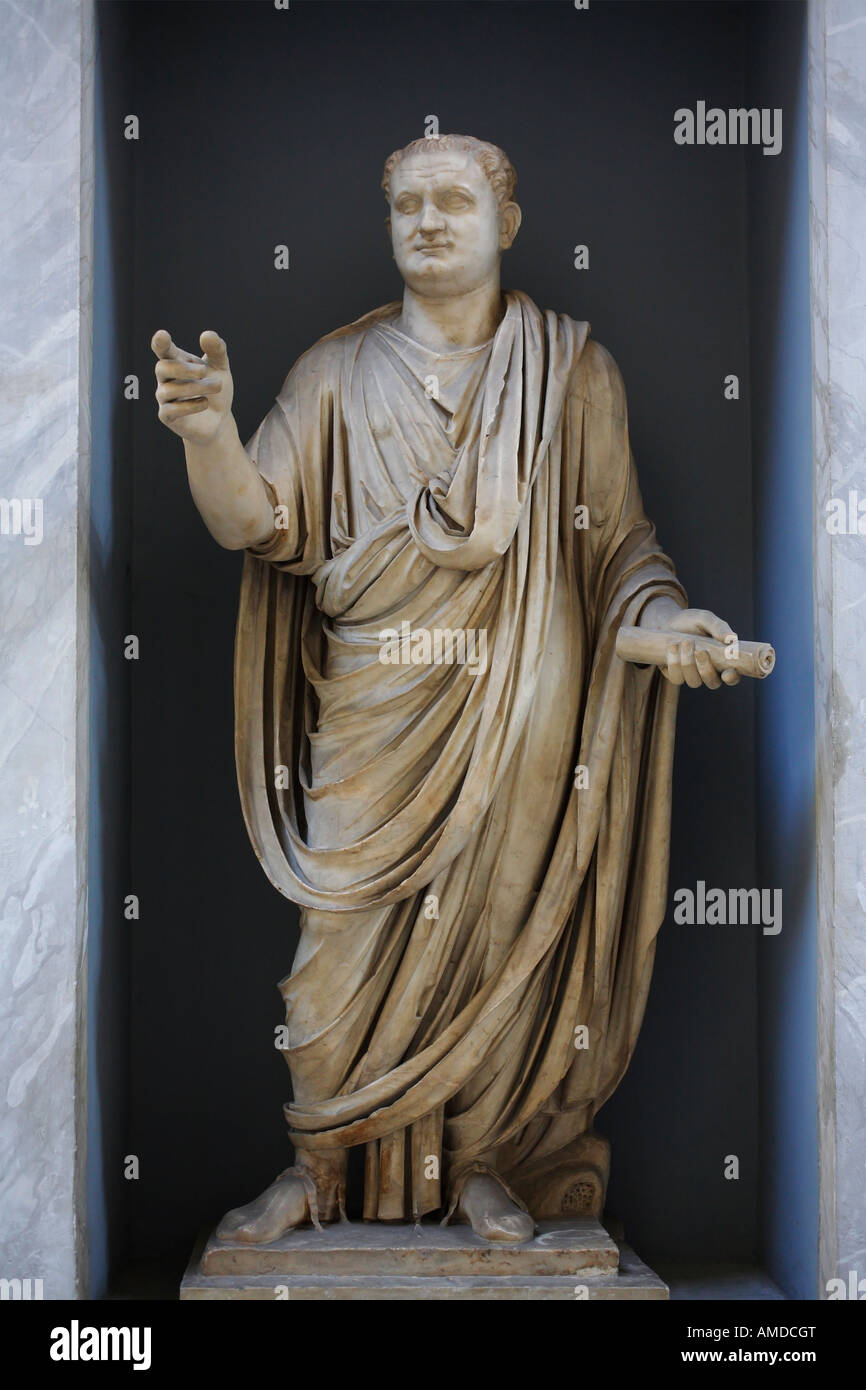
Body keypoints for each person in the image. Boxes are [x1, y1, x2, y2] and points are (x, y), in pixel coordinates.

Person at [152, 135, 738, 1244]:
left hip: (524, 710)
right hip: (374, 704)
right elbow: (255, 522)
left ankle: (478, 1165)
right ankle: (315, 1164)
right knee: (335, 954)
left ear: (504, 222)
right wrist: (209, 433)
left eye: (452, 200)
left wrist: (662, 627)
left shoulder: (571, 370)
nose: (426, 220)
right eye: (405, 203)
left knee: (493, 950)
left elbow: (615, 549)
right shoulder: (333, 372)